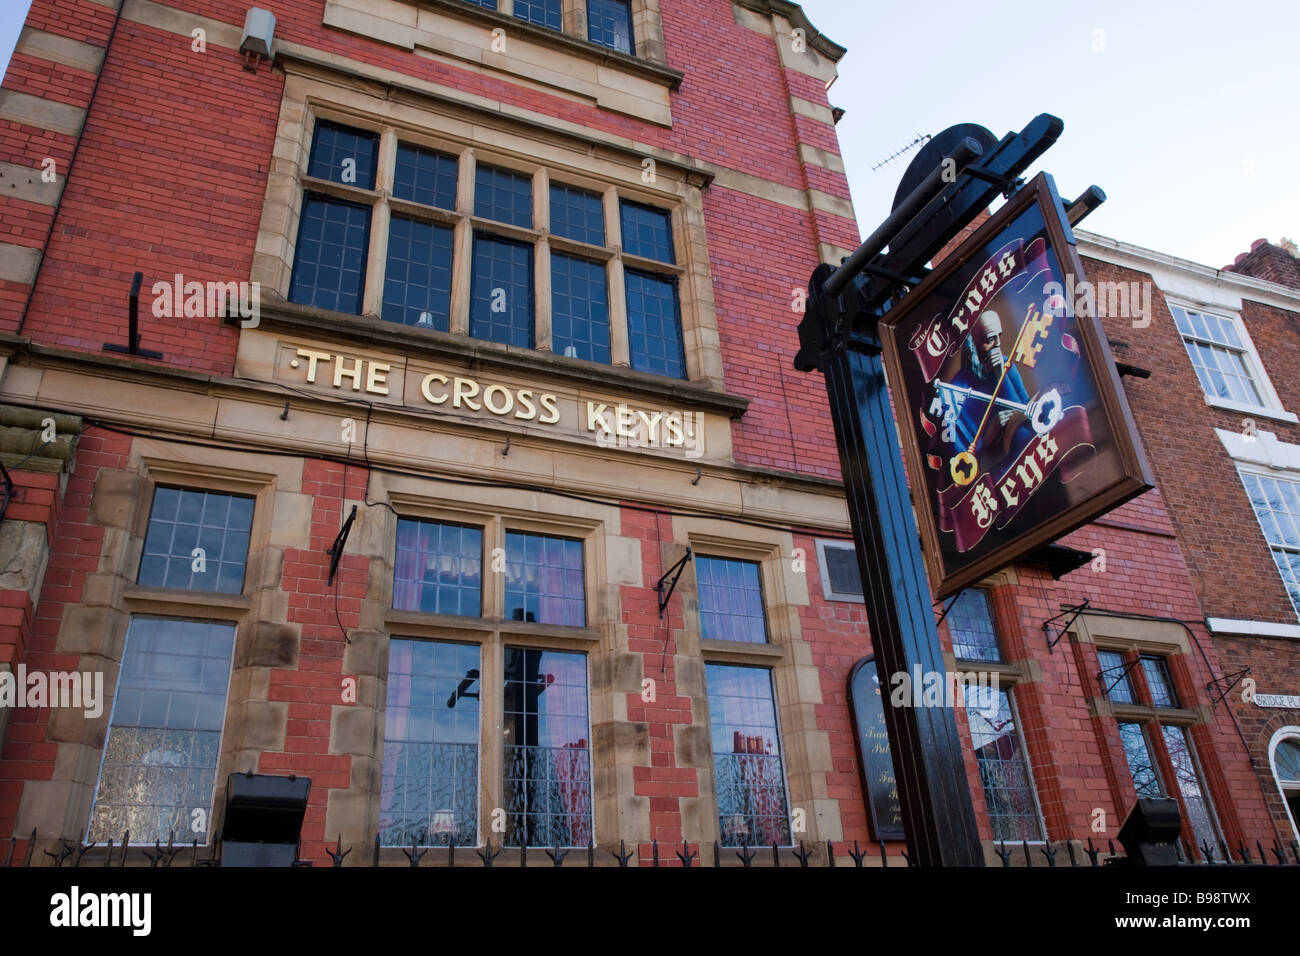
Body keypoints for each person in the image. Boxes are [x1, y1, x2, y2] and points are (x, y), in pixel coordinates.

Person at [947, 310, 1030, 453]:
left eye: (999, 336)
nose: (998, 344)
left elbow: (1025, 411)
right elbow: (963, 450)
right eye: (991, 339)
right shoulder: (958, 387)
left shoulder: (1006, 365)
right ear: (974, 344)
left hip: (1024, 446)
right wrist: (991, 431)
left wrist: (1000, 374)